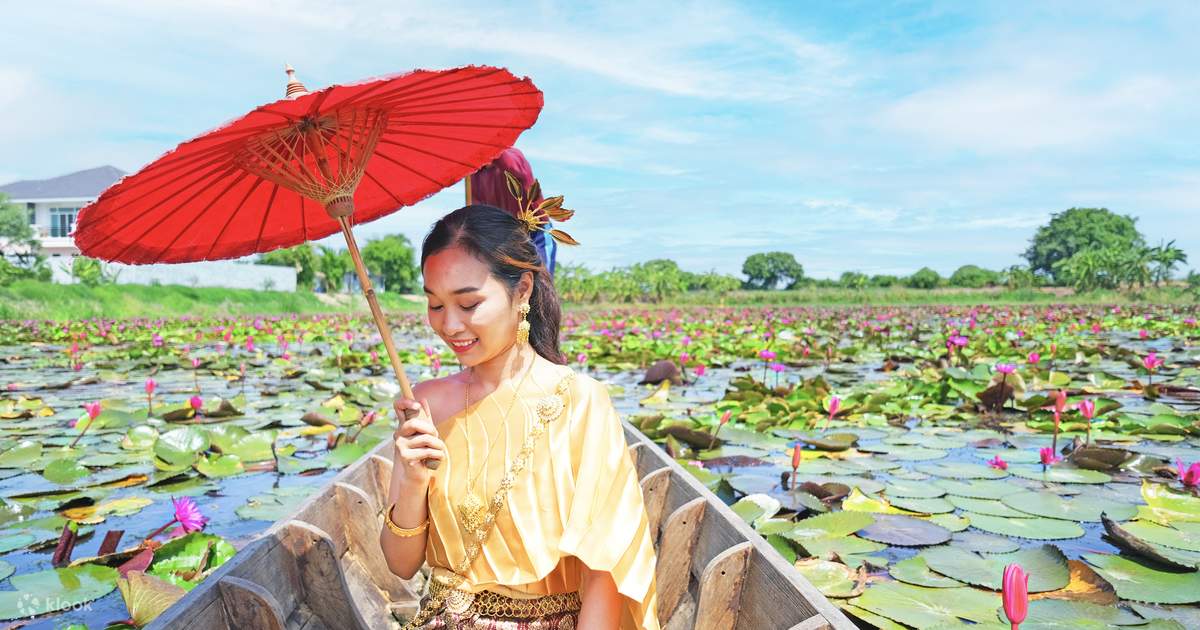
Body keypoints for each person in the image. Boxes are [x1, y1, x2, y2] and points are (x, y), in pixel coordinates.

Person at [380, 204, 658, 630]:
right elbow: (401, 565)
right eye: (435, 305)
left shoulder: (580, 402)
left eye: (468, 303)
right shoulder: (425, 405)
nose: (450, 325)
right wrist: (415, 484)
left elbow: (607, 566)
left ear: (523, 290)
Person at [469, 148, 558, 275]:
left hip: (536, 232)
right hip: (508, 237)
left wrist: (489, 146)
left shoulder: (513, 155)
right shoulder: (476, 175)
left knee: (543, 281)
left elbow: (512, 166)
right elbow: (479, 210)